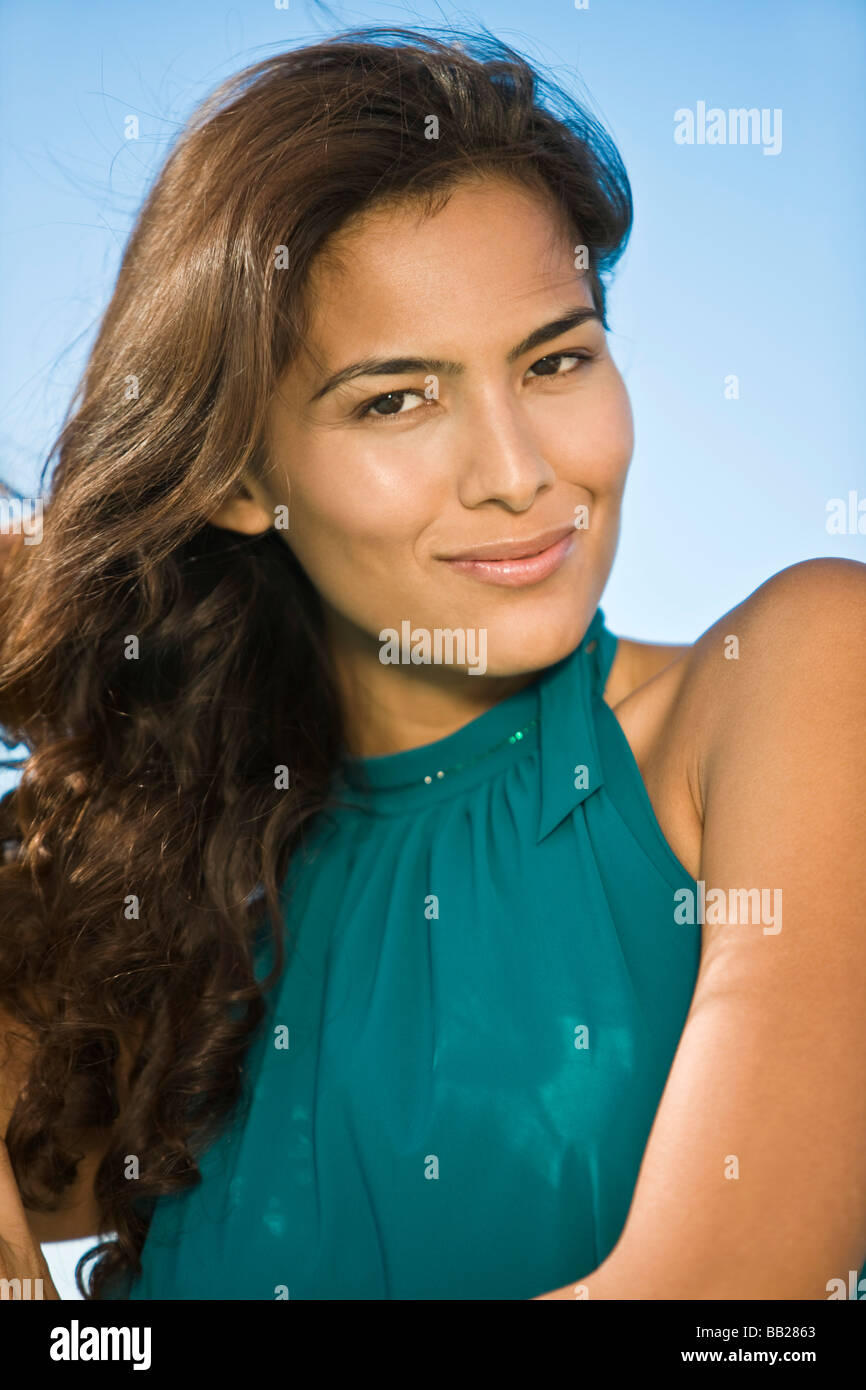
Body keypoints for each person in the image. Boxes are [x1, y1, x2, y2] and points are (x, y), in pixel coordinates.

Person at [1, 27, 864, 1302]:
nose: (517, 472)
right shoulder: (163, 901)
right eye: (394, 399)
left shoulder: (796, 673)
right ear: (239, 478)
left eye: (555, 359)